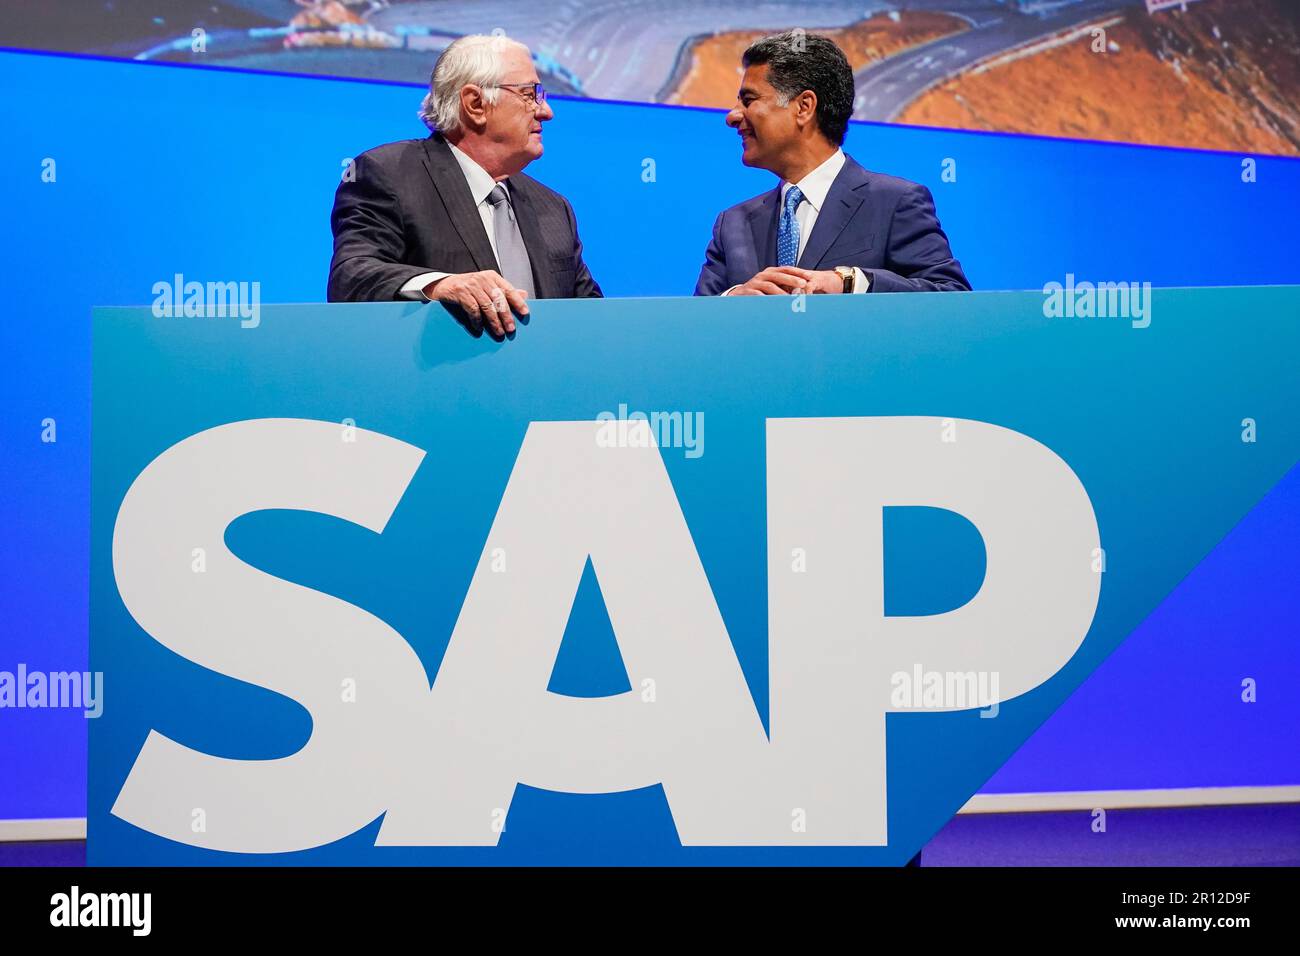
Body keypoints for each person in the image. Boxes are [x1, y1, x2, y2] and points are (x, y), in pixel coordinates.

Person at [328, 33, 601, 337]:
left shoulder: (553, 208)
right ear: (475, 104)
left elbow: (591, 316)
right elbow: (352, 277)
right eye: (530, 94)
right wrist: (439, 285)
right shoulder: (389, 174)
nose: (546, 111)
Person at [695, 31, 969, 297]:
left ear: (804, 107)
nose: (732, 116)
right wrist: (734, 300)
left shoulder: (895, 203)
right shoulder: (732, 224)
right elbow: (694, 326)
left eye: (749, 100)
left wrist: (853, 283)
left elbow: (950, 296)